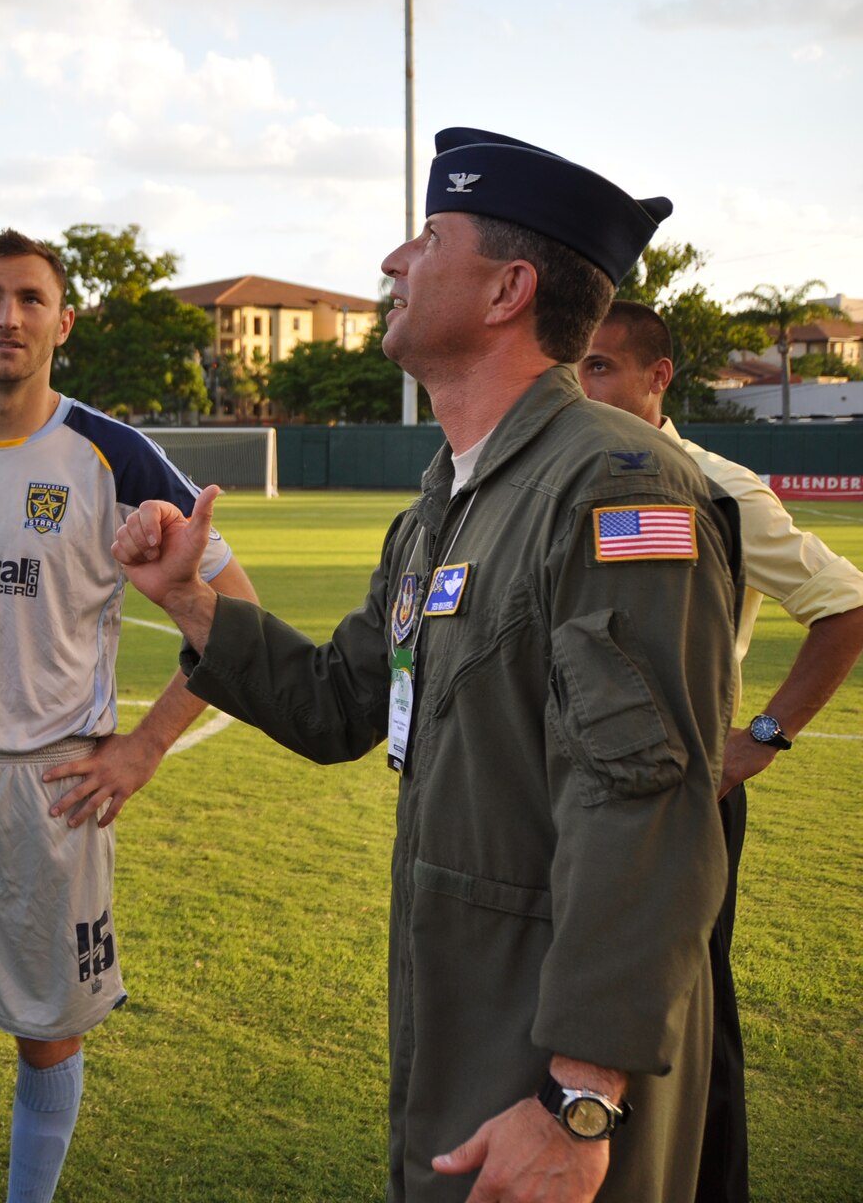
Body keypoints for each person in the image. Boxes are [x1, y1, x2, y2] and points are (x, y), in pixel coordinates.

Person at [111, 128, 742, 1203]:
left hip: (553, 1052)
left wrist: (579, 1097)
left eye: (425, 236)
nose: (393, 263)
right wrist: (188, 598)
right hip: (464, 1019)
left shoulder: (614, 484)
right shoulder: (439, 506)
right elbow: (338, 703)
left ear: (506, 287)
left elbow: (638, 797)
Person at [0, 228, 260, 1203]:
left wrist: (145, 744)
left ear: (61, 321)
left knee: (49, 1029)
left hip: (53, 781)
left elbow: (237, 612)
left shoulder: (112, 456)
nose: (8, 316)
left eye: (30, 298)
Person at [579, 300, 863, 1203]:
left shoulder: (720, 490)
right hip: (569, 791)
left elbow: (845, 606)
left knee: (692, 1018)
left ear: (657, 378)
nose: (580, 388)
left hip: (682, 797)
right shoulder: (559, 478)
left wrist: (763, 737)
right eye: (570, 370)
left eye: (600, 369)